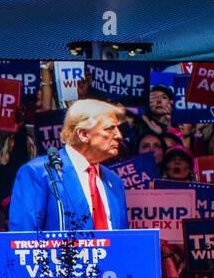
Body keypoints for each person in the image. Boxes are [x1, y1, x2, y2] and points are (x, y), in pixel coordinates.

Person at [8, 98, 129, 233]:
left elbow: (122, 241)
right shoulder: (39, 173)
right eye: (110, 129)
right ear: (83, 134)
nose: (119, 135)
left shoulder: (114, 181)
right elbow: (23, 241)